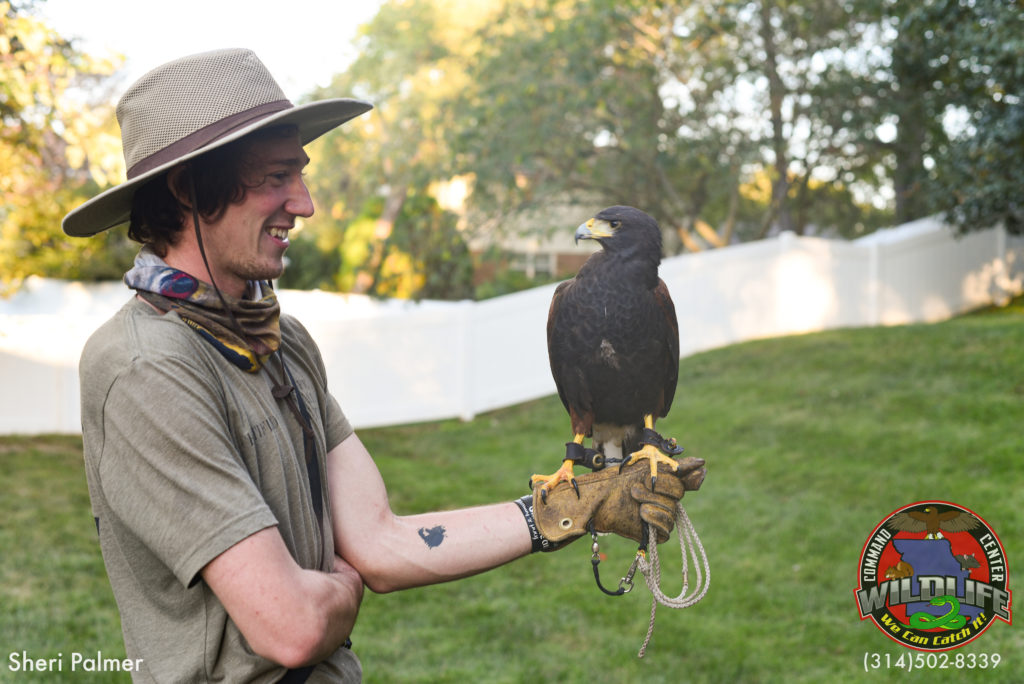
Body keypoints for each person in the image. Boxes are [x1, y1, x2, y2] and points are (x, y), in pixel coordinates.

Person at [62, 48, 705, 683]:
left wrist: (574, 507)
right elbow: (294, 628)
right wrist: (342, 587)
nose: (306, 203)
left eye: (301, 175)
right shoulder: (145, 369)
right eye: (276, 177)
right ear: (187, 187)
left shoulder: (281, 341)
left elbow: (380, 545)